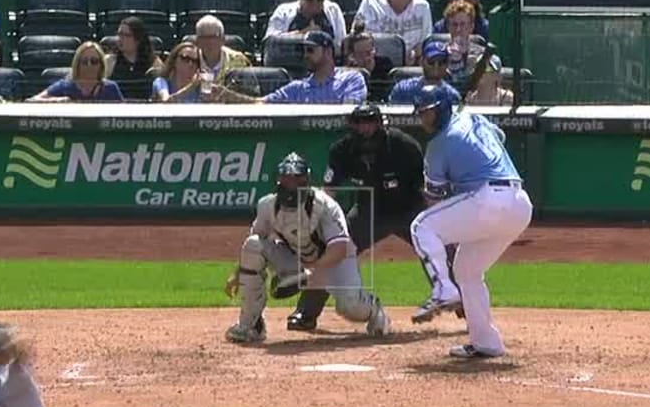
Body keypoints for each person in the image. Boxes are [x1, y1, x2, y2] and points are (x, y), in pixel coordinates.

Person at [287, 102, 456, 332]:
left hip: (409, 209)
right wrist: (323, 225)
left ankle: (465, 304)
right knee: (331, 249)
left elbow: (426, 188)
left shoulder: (403, 146)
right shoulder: (342, 149)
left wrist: (439, 225)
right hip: (368, 211)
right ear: (352, 126)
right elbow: (329, 191)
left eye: (370, 122)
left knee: (439, 248)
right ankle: (306, 313)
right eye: (360, 123)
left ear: (380, 123)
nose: (365, 128)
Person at [408, 83, 532, 359]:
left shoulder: (437, 146)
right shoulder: (476, 119)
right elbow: (499, 138)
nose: (423, 119)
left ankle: (442, 288)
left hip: (487, 199)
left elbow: (434, 197)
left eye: (427, 113)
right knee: (466, 269)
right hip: (519, 205)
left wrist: (445, 235)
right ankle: (486, 341)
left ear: (441, 110)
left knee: (421, 226)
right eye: (420, 113)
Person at [222, 152, 391, 344]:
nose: (291, 184)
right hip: (297, 260)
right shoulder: (267, 205)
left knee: (350, 308)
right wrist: (237, 274)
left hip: (335, 261)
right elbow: (256, 239)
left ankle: (373, 308)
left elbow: (339, 248)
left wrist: (313, 272)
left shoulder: (325, 205)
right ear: (278, 179)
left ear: (306, 180)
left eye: (296, 178)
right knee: (254, 245)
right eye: (286, 178)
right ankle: (250, 326)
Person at [214, 30, 366, 104]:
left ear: (327, 52)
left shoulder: (351, 78)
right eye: (304, 50)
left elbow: (350, 109)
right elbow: (260, 103)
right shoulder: (296, 88)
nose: (306, 55)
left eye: (311, 50)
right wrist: (227, 94)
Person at [352, 0, 433, 64]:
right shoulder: (371, 3)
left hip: (411, 63)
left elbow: (426, 40)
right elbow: (357, 37)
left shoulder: (422, 7)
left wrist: (415, 53)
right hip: (375, 61)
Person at [264, 0, 347, 55]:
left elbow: (342, 46)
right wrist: (303, 35)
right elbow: (270, 43)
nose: (315, 2)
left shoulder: (333, 10)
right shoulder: (283, 11)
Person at [29, 40, 123, 103]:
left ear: (101, 64)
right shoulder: (64, 86)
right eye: (84, 62)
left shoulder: (110, 88)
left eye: (94, 61)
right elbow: (32, 101)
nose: (89, 65)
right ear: (77, 64)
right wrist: (57, 100)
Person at [106, 16, 160, 101]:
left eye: (127, 35)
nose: (121, 39)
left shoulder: (153, 62)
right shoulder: (110, 61)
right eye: (119, 34)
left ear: (138, 39)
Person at [442, 0, 490, 88]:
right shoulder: (439, 54)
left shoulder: (482, 55)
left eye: (463, 24)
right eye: (454, 24)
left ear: (471, 27)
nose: (458, 29)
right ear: (448, 26)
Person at [388, 39, 450, 103]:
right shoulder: (402, 89)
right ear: (422, 62)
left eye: (441, 63)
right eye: (431, 62)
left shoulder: (451, 95)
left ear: (447, 64)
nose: (436, 67)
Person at [193, 15, 250, 84]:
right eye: (204, 37)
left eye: (214, 37)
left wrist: (225, 93)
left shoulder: (239, 60)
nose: (210, 42)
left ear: (223, 39)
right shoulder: (189, 61)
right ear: (197, 41)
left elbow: (252, 92)